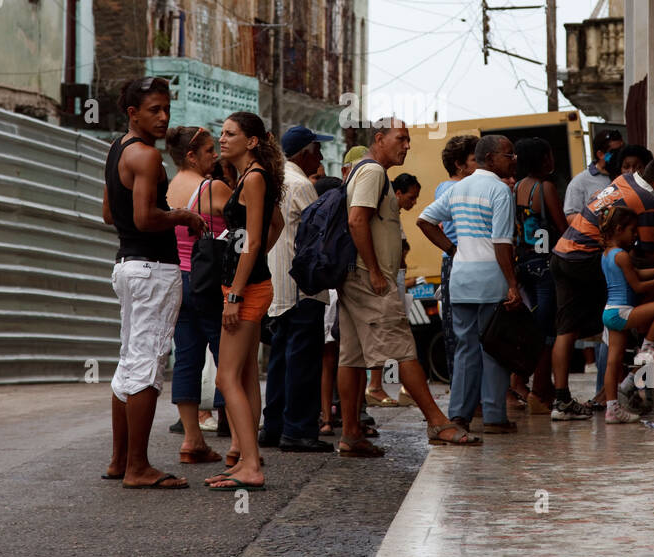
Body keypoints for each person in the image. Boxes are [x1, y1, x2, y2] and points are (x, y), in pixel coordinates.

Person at [337, 118, 481, 455]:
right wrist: (375, 271)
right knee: (403, 349)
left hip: (356, 277)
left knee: (353, 357)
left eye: (408, 140)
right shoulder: (372, 172)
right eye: (400, 139)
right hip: (369, 278)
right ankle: (438, 422)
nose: (407, 146)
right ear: (380, 139)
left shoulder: (369, 173)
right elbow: (357, 220)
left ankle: (350, 434)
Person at [102, 76, 206, 490]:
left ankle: (119, 461)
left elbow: (111, 213)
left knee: (130, 361)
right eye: (154, 110)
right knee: (147, 364)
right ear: (133, 113)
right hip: (152, 269)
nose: (164, 117)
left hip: (128, 265)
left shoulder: (117, 149)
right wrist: (182, 215)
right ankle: (138, 467)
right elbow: (145, 218)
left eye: (166, 108)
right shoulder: (146, 157)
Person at [550, 155, 654, 418]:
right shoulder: (646, 202)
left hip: (562, 252)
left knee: (566, 330)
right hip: (584, 258)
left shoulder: (624, 180)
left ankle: (562, 401)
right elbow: (651, 251)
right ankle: (645, 350)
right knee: (618, 321)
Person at [417, 134, 522, 434]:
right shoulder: (500, 191)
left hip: (461, 278)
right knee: (494, 348)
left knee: (465, 348)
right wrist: (513, 284)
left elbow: (424, 221)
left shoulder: (458, 188)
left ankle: (459, 415)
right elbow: (502, 243)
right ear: (490, 158)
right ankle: (493, 416)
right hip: (490, 278)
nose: (513, 160)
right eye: (508, 155)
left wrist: (453, 249)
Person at [204, 114, 285, 493]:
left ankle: (250, 464)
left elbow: (253, 240)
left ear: (251, 141)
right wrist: (253, 262)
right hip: (246, 283)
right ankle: (246, 456)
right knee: (247, 374)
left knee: (226, 376)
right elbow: (275, 225)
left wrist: (236, 291)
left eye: (230, 134)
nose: (222, 139)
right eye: (221, 133)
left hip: (245, 289)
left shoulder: (253, 178)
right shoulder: (250, 178)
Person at [261, 124, 335, 453]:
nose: (320, 158)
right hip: (301, 286)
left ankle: (274, 425)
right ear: (304, 152)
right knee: (303, 362)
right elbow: (316, 238)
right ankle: (299, 430)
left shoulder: (276, 180)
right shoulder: (301, 184)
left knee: (280, 359)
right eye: (317, 150)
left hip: (278, 284)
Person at [165, 126, 232, 464]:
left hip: (177, 281)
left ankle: (192, 439)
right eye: (209, 150)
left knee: (187, 357)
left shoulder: (167, 187)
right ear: (191, 156)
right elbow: (246, 220)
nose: (215, 155)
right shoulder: (212, 189)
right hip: (208, 282)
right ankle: (235, 439)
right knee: (228, 357)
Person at [598, 208, 654, 423]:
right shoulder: (622, 255)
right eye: (632, 230)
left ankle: (612, 408)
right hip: (623, 312)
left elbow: (637, 273)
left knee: (613, 363)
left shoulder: (607, 253)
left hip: (610, 312)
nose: (635, 236)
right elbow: (639, 286)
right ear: (619, 229)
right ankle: (649, 346)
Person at [511, 137, 567, 413]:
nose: (551, 159)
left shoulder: (517, 188)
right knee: (549, 332)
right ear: (542, 159)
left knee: (532, 329)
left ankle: (520, 384)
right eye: (548, 154)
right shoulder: (545, 188)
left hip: (523, 265)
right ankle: (539, 393)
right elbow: (562, 227)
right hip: (545, 267)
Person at [366, 172, 422, 408]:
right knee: (387, 329)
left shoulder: (394, 216)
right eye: (411, 197)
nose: (414, 202)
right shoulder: (385, 215)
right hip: (389, 278)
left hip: (395, 276)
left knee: (398, 330)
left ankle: (405, 386)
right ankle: (376, 386)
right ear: (397, 193)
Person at [432, 134, 478, 387]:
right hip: (460, 260)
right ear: (460, 164)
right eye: (474, 159)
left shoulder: (446, 187)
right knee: (462, 333)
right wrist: (453, 249)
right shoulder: (455, 189)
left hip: (457, 260)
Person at [562, 128, 624, 217]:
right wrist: (593, 208)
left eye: (622, 150)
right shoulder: (579, 182)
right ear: (600, 154)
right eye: (615, 152)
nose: (621, 155)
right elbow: (570, 218)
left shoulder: (626, 175)